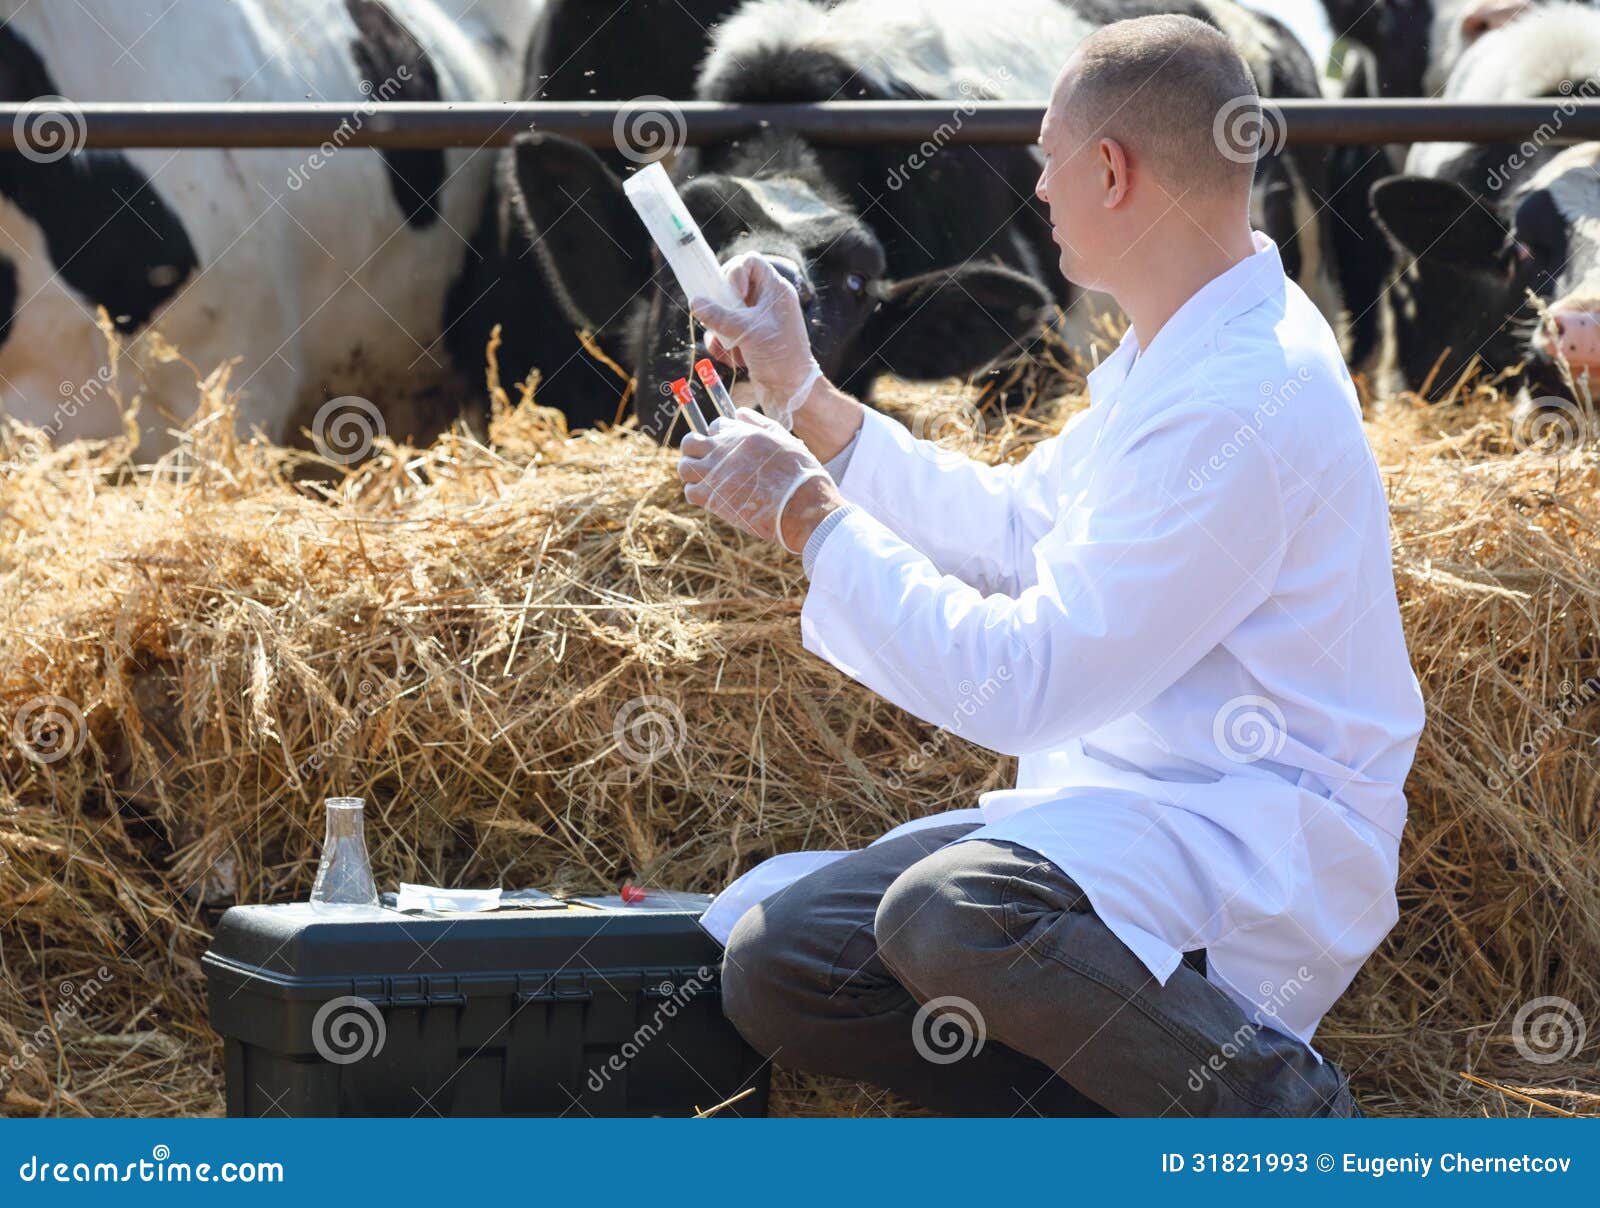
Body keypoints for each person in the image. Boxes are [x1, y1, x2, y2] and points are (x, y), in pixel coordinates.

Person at [675, 13, 1424, 1117]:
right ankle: (1103, 1112)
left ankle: (1279, 1107)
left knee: (953, 915)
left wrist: (813, 520)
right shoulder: (1180, 343)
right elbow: (1022, 526)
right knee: (780, 961)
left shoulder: (1235, 398)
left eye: (1046, 163)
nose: (1037, 192)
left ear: (1110, 171)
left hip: (1245, 834)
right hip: (1127, 812)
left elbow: (1029, 686)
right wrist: (807, 395)